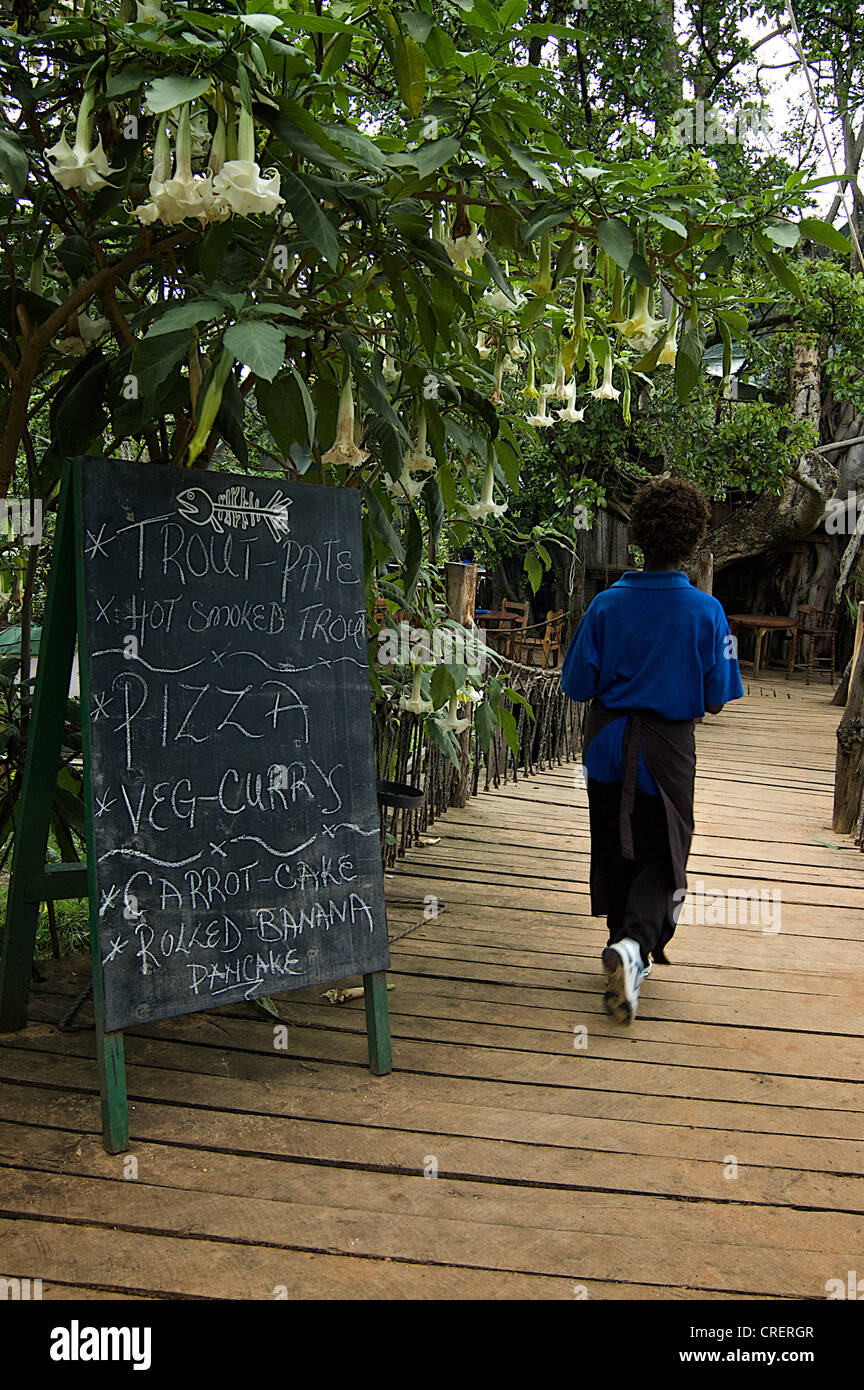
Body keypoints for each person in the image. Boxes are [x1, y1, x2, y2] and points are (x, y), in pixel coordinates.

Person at [560, 478, 744, 1023]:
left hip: (607, 744)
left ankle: (622, 941)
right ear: (693, 539)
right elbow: (716, 700)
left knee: (616, 844)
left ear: (636, 534)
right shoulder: (707, 612)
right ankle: (635, 945)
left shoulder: (605, 605)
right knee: (665, 851)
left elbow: (575, 684)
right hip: (667, 749)